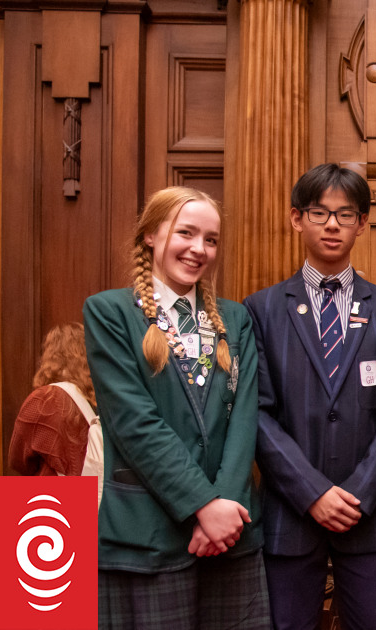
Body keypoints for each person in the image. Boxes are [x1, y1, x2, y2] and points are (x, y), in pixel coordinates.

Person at [83, 186, 269, 629]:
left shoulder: (235, 318)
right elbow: (134, 424)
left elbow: (244, 419)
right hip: (147, 535)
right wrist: (203, 505)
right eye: (186, 233)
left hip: (230, 537)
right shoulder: (110, 312)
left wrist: (223, 507)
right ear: (150, 234)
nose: (199, 249)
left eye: (211, 239)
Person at [244, 163, 376, 630]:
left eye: (346, 214)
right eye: (320, 213)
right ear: (296, 219)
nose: (333, 224)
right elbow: (256, 413)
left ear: (363, 223)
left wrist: (356, 493)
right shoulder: (260, 310)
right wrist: (313, 492)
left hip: (369, 511)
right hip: (291, 512)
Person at [9, 322, 105, 504]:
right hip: (99, 503)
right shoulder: (102, 398)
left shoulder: (44, 399)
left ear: (51, 355)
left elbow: (18, 460)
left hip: (52, 504)